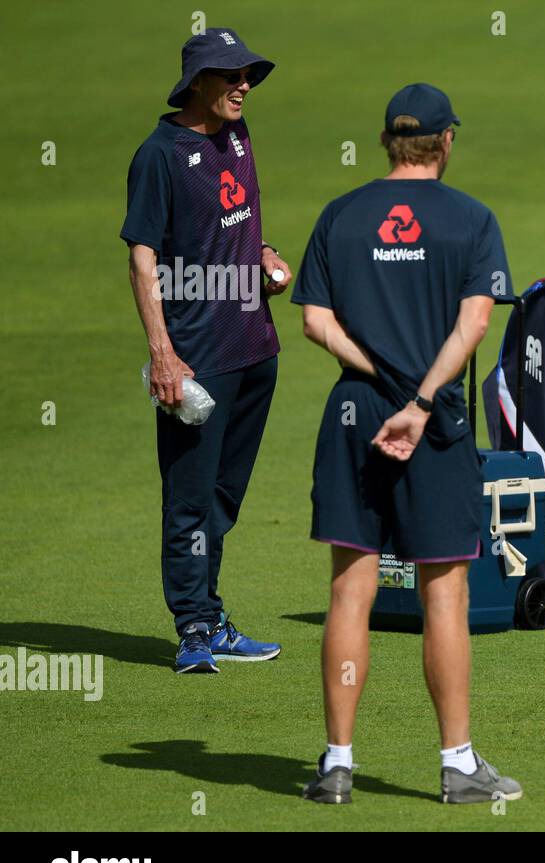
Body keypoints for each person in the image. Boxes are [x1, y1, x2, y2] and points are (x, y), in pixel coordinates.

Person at [292, 83, 521, 805]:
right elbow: (475, 325)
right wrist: (419, 399)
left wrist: (378, 375)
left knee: (349, 591)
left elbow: (315, 323)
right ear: (445, 141)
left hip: (355, 413)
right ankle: (457, 766)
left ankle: (336, 764)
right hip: (434, 419)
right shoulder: (472, 220)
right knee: (444, 595)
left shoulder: (340, 216)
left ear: (389, 142)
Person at [121, 28, 289, 674]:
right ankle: (192, 625)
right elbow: (143, 257)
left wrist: (265, 256)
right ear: (198, 83)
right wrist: (162, 354)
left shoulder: (238, 136)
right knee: (189, 497)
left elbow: (236, 224)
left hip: (255, 347)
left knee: (223, 496)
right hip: (198, 358)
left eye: (247, 75)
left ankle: (212, 615)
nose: (243, 85)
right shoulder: (159, 155)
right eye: (230, 76)